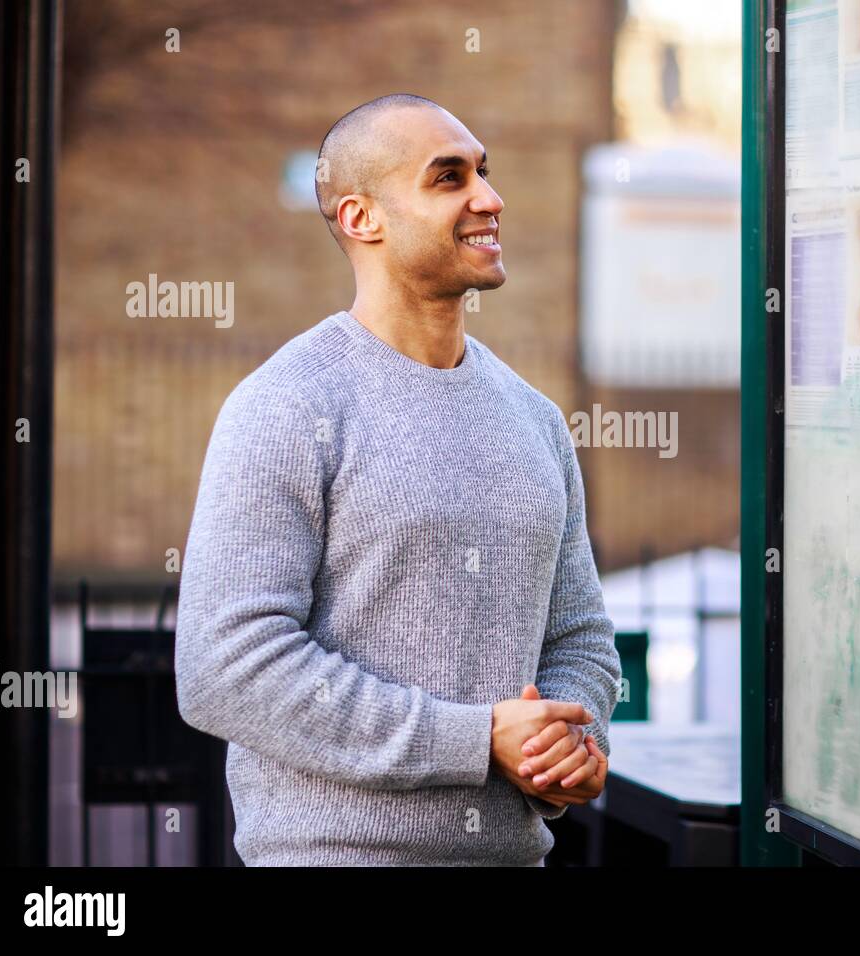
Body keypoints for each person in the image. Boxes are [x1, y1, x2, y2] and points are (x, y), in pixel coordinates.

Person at [174, 93, 621, 866]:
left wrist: (567, 748)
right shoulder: (286, 405)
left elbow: (580, 638)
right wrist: (476, 740)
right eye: (448, 179)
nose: (490, 198)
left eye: (484, 171)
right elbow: (225, 667)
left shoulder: (536, 419)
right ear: (361, 218)